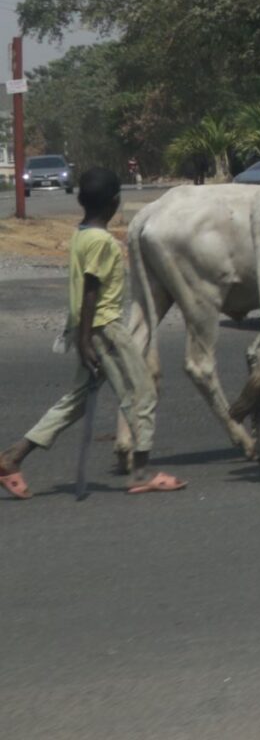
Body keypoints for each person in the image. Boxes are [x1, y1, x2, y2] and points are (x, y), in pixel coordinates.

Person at [0, 167, 184, 499]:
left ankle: (13, 457)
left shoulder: (82, 234)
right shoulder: (102, 242)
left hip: (90, 329)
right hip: (105, 329)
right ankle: (141, 471)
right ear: (115, 202)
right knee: (142, 394)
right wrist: (87, 340)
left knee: (76, 401)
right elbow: (90, 291)